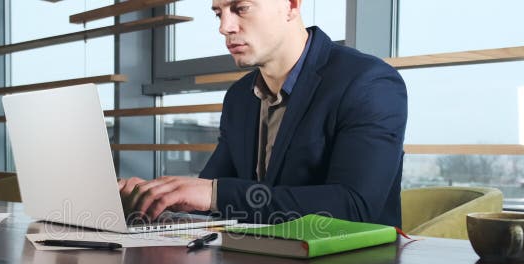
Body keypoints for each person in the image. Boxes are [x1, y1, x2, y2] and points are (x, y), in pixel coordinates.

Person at [119, 0, 407, 226]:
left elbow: (355, 207)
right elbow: (207, 194)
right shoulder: (239, 97)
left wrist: (213, 194)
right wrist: (158, 197)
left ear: (291, 5)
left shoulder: (368, 82)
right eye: (218, 13)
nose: (225, 27)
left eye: (241, 8)